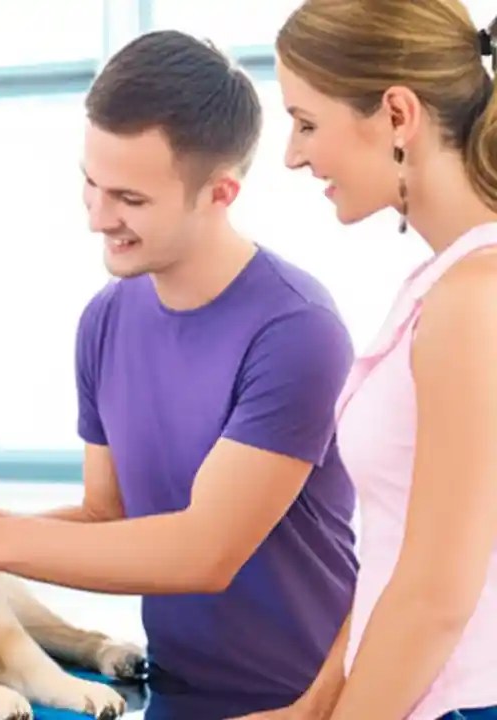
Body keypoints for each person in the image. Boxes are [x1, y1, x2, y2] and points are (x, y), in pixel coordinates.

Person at [0, 30, 361, 716]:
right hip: (169, 692)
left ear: (219, 193)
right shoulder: (106, 319)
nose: (98, 217)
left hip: (309, 700)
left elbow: (205, 552)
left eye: (130, 200)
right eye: (90, 182)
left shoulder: (296, 331)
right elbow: (108, 516)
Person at [237, 2, 497, 719]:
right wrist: (315, 707)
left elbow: (438, 594)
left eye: (307, 122)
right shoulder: (442, 284)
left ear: (396, 114)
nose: (293, 154)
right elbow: (395, 551)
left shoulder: (477, 296)